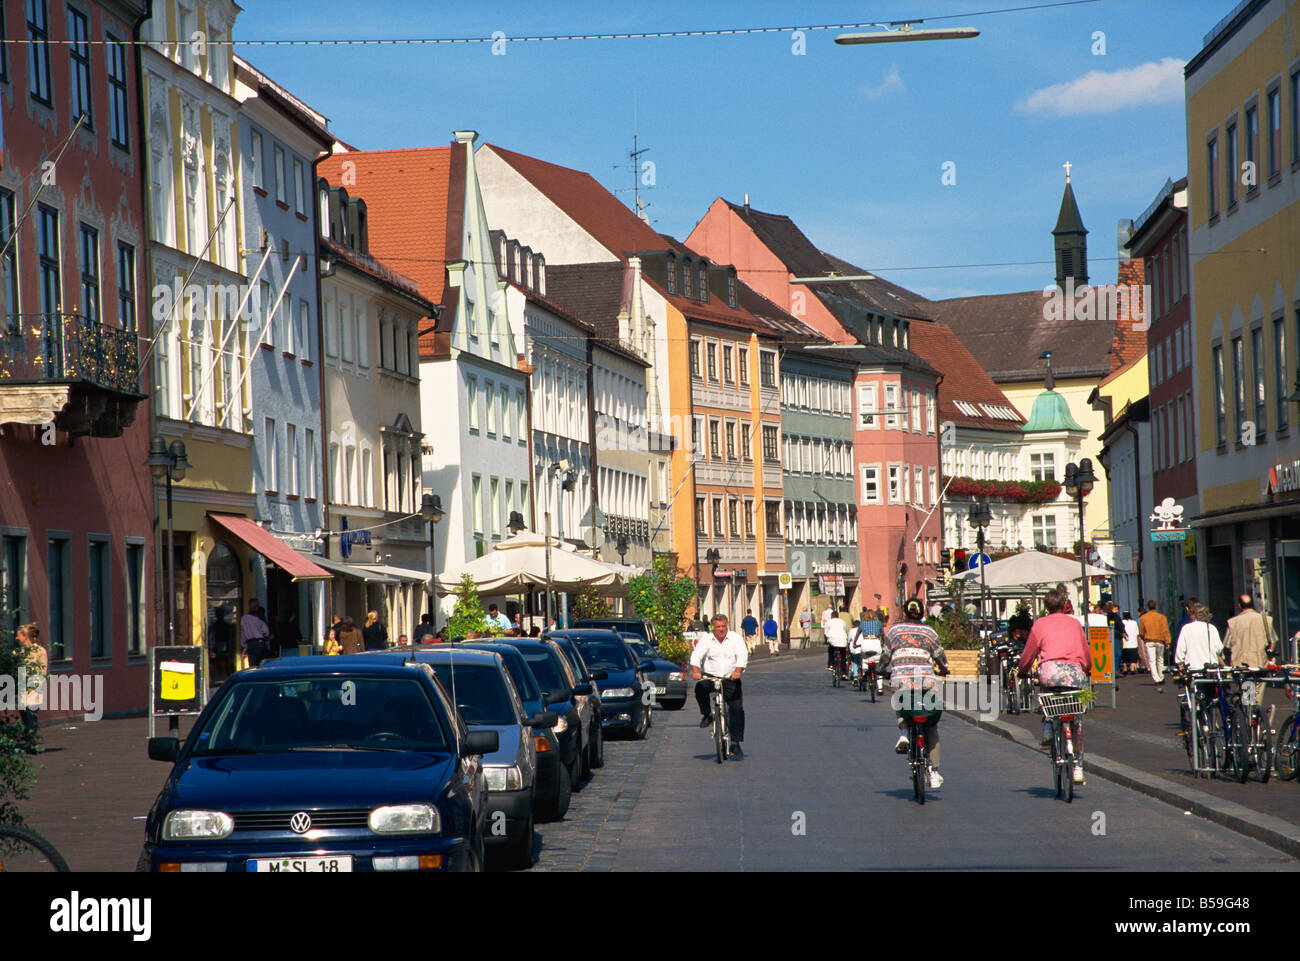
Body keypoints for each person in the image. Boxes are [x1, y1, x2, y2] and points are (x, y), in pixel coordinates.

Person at [1019, 587, 1092, 785]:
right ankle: (1078, 766)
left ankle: (1048, 728)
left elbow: (1029, 652)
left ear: (1046, 606)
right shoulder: (1075, 624)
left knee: (1048, 695)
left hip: (1050, 672)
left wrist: (1023, 670)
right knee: (1076, 719)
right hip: (1074, 675)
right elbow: (1084, 650)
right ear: (1064, 604)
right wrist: (1087, 668)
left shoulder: (1040, 624)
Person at [877, 597, 949, 789]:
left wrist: (881, 668)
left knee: (901, 705)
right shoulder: (930, 632)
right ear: (923, 613)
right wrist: (944, 668)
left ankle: (904, 733)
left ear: (905, 613)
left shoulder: (894, 631)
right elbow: (939, 655)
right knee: (931, 724)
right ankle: (933, 771)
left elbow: (886, 655)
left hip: (902, 679)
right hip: (925, 679)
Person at [690, 614, 748, 759]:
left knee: (736, 709)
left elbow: (742, 654)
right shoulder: (707, 640)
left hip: (730, 678)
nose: (721, 630)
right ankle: (708, 715)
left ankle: (735, 743)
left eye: (723, 626)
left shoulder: (735, 638)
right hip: (711, 677)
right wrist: (696, 670)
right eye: (718, 627)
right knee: (700, 688)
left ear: (727, 626)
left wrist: (738, 671)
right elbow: (697, 655)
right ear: (713, 628)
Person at [1224, 594, 1272, 707]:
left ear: (1239, 605)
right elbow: (1272, 640)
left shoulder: (1233, 622)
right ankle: (1257, 717)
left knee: (1247, 694)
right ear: (1253, 605)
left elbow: (1227, 645)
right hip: (1261, 663)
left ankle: (1248, 717)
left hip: (1242, 665)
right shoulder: (1266, 620)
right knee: (1258, 694)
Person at [15, 623, 46, 749]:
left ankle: (31, 742)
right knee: (24, 716)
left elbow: (42, 671)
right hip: (22, 688)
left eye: (18, 636)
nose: (16, 638)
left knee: (31, 716)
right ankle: (28, 741)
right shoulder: (18, 652)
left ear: (25, 637)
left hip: (34, 689)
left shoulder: (39, 651)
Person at [1174, 602, 1223, 672]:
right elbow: (1219, 648)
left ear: (1194, 615)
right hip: (1210, 668)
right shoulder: (1211, 628)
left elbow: (1181, 649)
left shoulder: (1186, 628)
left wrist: (1180, 663)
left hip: (1192, 668)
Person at [1137, 600, 1171, 691]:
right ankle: (1161, 676)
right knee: (1160, 659)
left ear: (1148, 607)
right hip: (1160, 640)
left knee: (1152, 660)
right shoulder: (1162, 617)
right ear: (1155, 606)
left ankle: (1156, 678)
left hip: (1149, 641)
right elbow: (1165, 630)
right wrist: (1168, 641)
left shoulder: (1143, 618)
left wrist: (1144, 638)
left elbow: (1141, 631)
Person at [240, 600, 272, 667]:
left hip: (250, 645)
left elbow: (243, 634)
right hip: (260, 643)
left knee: (253, 667)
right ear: (256, 607)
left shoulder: (244, 618)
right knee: (263, 665)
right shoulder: (259, 617)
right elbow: (266, 632)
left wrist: (245, 647)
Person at [824, 608, 849, 675]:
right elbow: (844, 630)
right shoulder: (842, 621)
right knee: (843, 656)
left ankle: (830, 665)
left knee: (831, 651)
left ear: (831, 616)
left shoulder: (828, 622)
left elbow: (825, 633)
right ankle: (844, 673)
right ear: (838, 616)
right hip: (843, 640)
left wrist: (826, 641)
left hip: (832, 640)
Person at [1121, 610, 1140, 676]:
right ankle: (1132, 668)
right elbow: (1137, 633)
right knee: (1133, 657)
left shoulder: (1122, 622)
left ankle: (1125, 668)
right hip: (1133, 643)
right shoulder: (1134, 622)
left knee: (1124, 657)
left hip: (1125, 644)